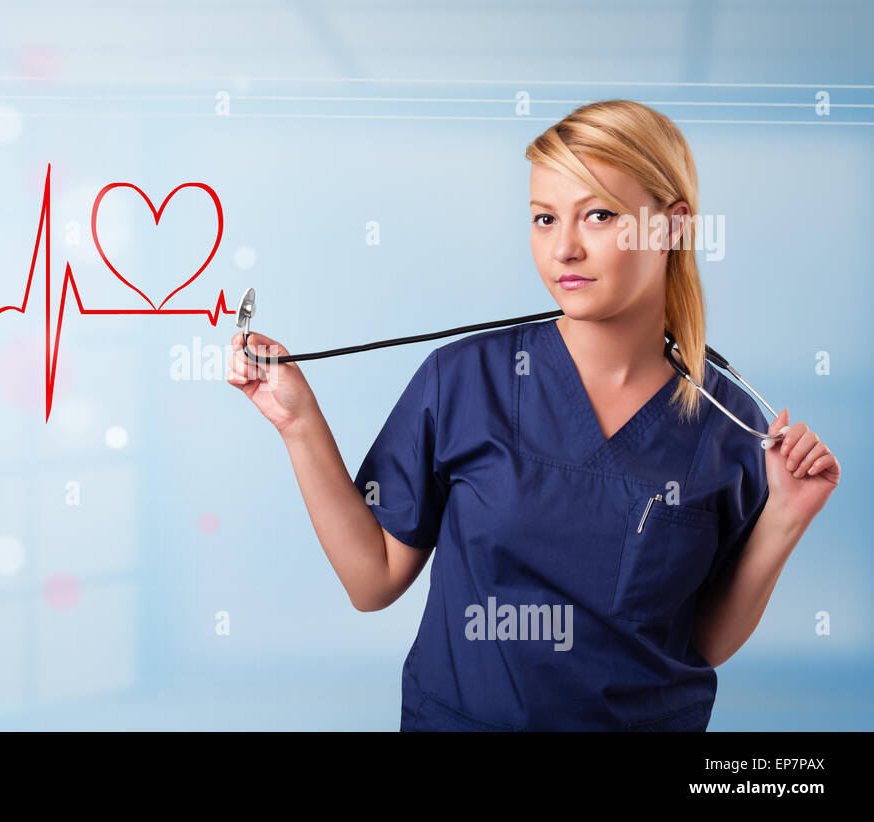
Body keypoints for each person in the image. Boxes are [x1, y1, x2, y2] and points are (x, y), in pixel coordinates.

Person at [226, 99, 840, 731]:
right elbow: (372, 579)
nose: (564, 249)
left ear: (671, 227)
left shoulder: (729, 427)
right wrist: (298, 424)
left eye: (598, 215)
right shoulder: (464, 382)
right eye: (545, 219)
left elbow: (702, 641)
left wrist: (785, 518)